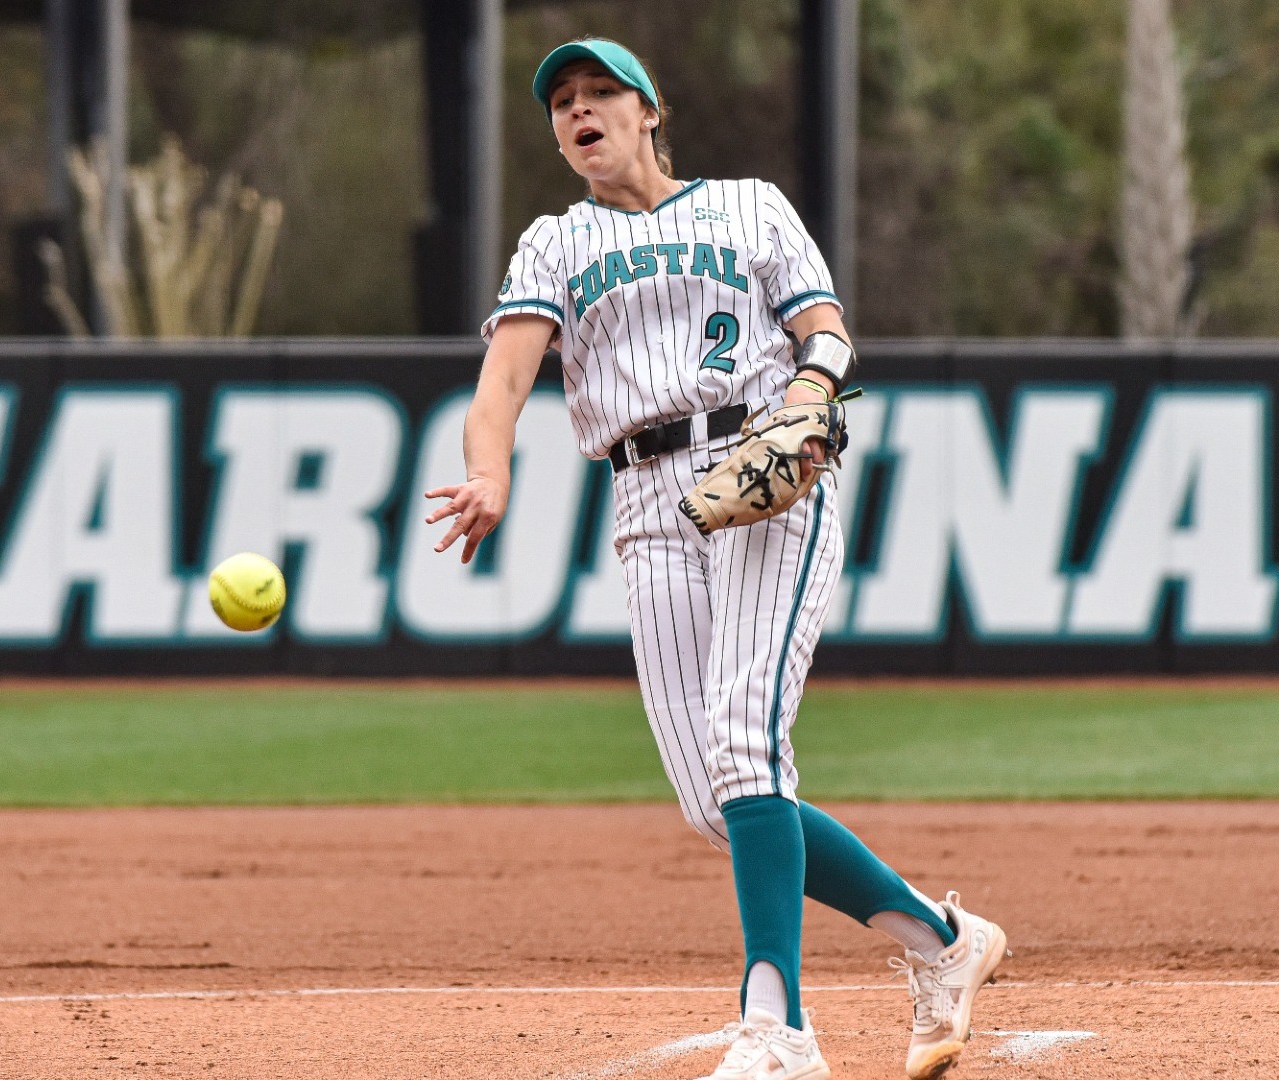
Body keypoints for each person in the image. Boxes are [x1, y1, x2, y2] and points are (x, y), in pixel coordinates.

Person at [424, 37, 1009, 1080]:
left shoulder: (749, 205)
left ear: (650, 109)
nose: (578, 110)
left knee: (745, 742)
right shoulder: (554, 242)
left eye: (599, 91)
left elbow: (825, 330)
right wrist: (492, 475)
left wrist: (808, 394)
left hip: (763, 465)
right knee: (716, 800)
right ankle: (944, 942)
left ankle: (777, 1031)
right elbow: (502, 385)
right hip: (646, 493)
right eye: (561, 101)